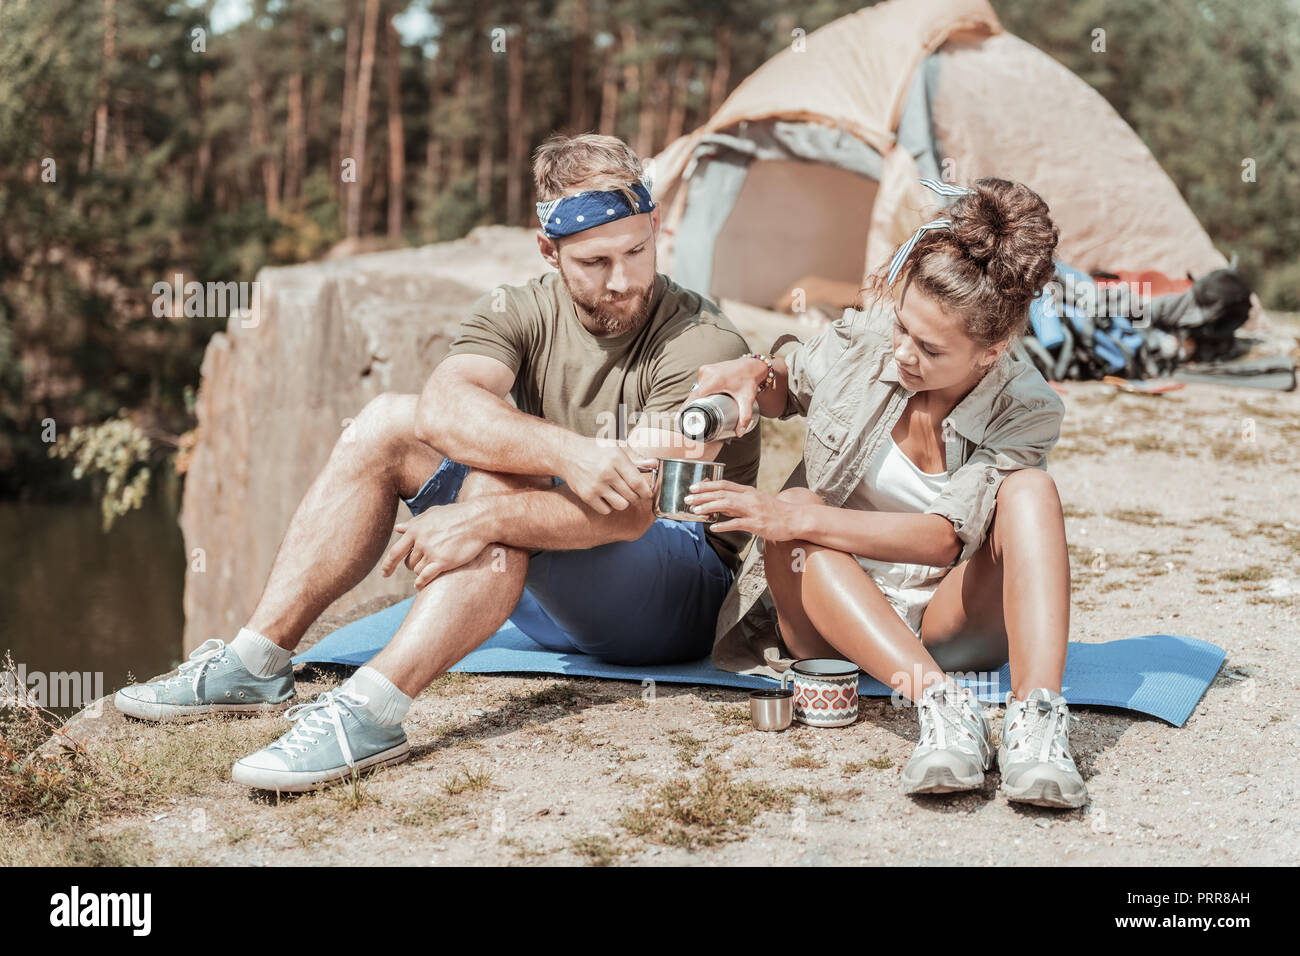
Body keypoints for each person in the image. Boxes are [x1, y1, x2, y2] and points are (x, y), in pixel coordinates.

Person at [114, 133, 761, 792]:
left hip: (678, 587)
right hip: (563, 559)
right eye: (595, 261)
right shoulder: (521, 308)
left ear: (656, 226)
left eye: (637, 250)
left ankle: (372, 710)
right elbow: (442, 407)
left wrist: (481, 518)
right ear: (549, 250)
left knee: (497, 477)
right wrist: (571, 450)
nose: (623, 278)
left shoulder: (700, 340)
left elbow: (629, 512)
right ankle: (256, 661)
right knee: (386, 424)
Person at [685, 177, 1086, 809]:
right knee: (803, 513)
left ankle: (1035, 722)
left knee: (1031, 490)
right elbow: (787, 382)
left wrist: (779, 517)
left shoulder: (1026, 406)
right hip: (834, 618)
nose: (900, 352)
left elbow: (941, 538)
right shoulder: (873, 339)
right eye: (902, 326)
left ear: (991, 350)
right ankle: (944, 711)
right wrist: (752, 372)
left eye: (929, 348)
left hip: (952, 621)